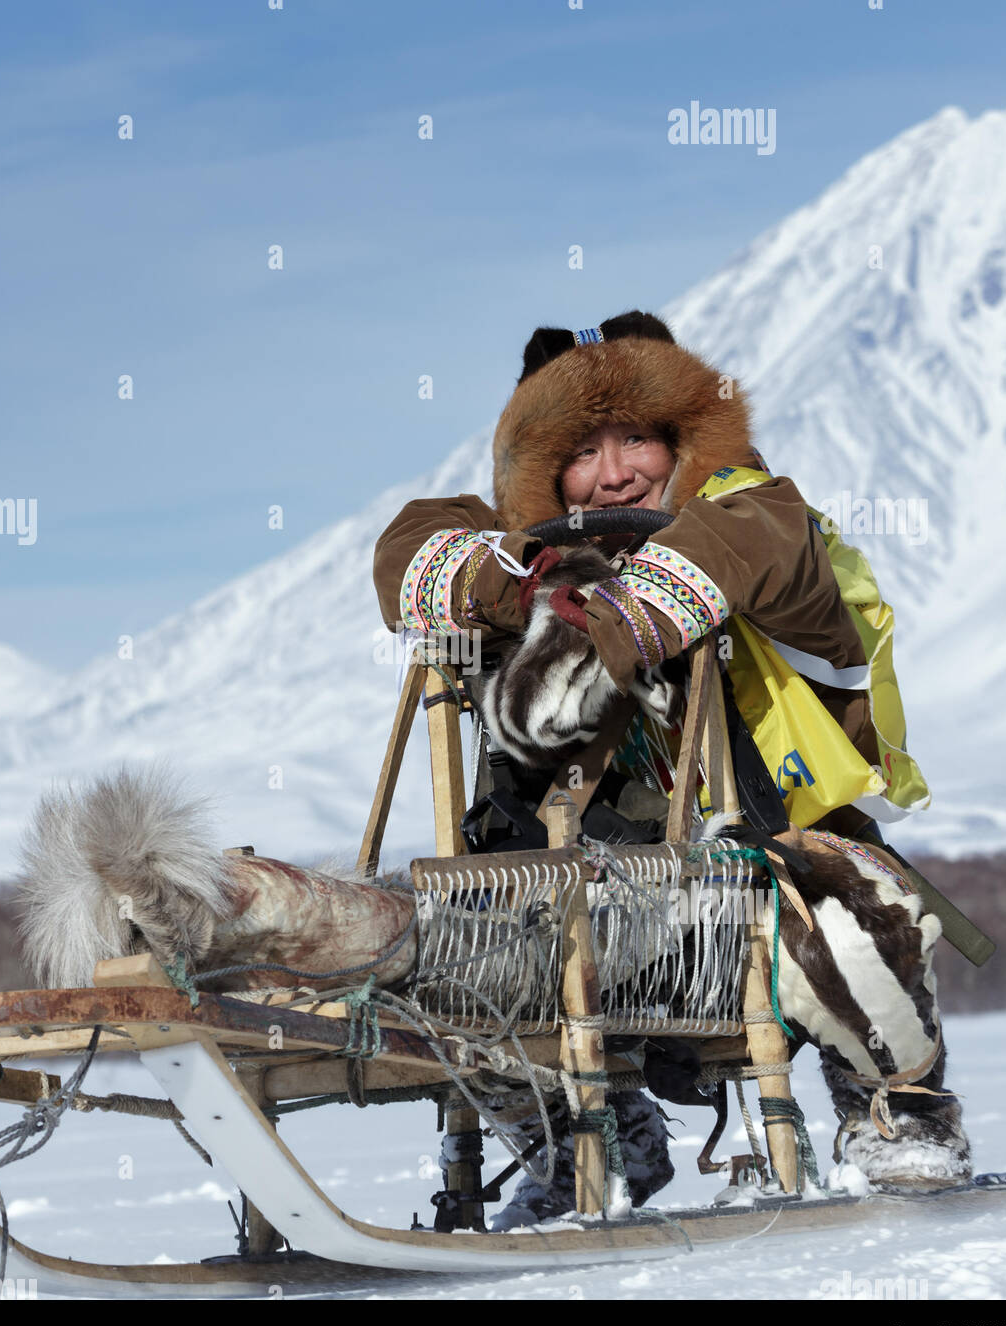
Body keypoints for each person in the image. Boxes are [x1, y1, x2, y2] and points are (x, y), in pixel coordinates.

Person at [373, 310, 971, 1221]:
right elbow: (409, 551)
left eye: (639, 439)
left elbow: (755, 545)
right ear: (543, 473)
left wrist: (612, 617)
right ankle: (596, 1143)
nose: (614, 470)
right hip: (571, 893)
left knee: (859, 925)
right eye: (581, 450)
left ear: (685, 442)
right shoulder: (510, 541)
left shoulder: (761, 512)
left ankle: (897, 1112)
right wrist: (535, 582)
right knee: (437, 967)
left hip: (757, 876)